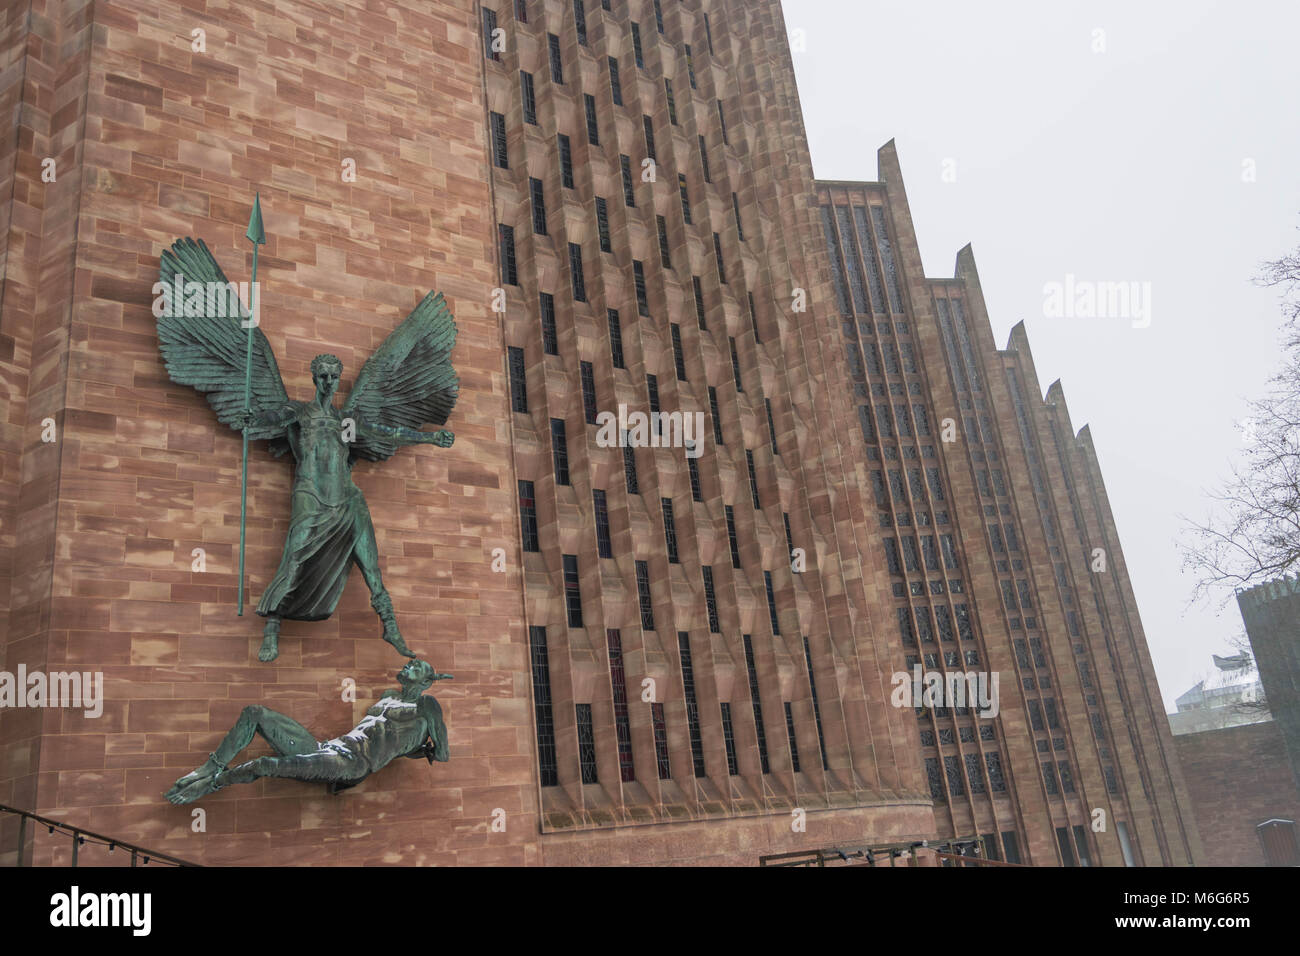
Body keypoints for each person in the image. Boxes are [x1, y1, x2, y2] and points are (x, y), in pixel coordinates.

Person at [165, 659, 451, 804]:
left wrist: (419, 748)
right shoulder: (388, 695)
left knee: (265, 764)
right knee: (255, 712)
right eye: (410, 662)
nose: (409, 664)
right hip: (327, 747)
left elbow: (443, 753)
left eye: (416, 666)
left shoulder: (427, 706)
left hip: (351, 764)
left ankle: (212, 784)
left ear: (426, 682)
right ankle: (208, 768)